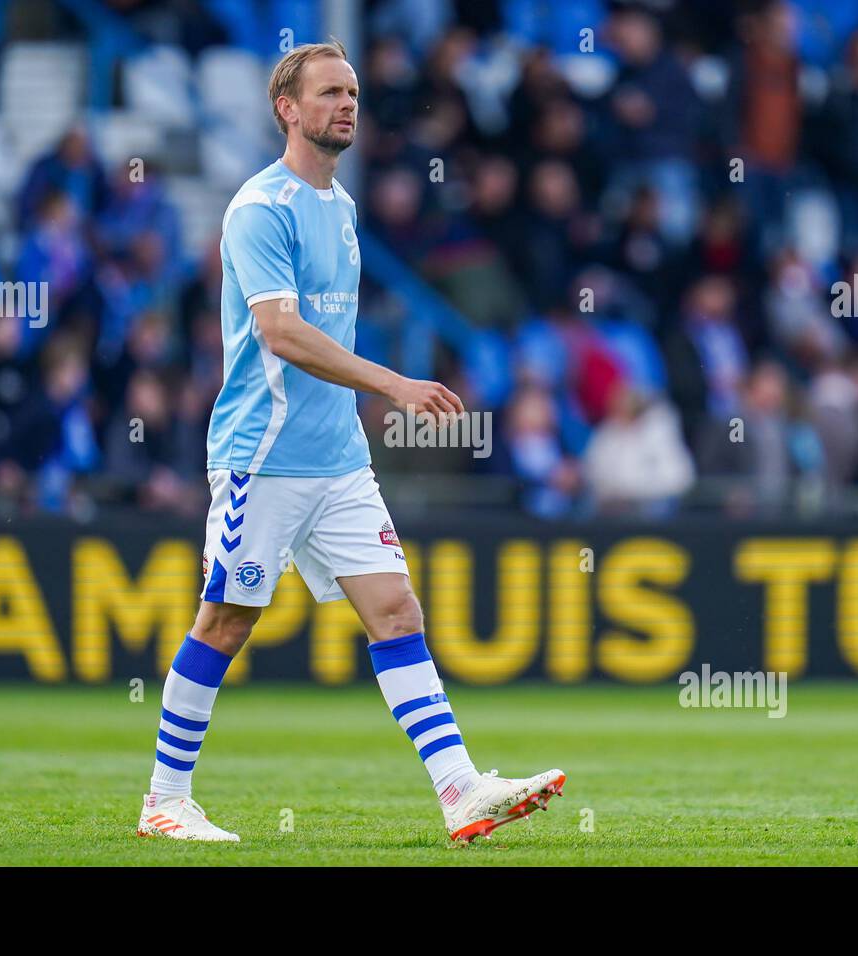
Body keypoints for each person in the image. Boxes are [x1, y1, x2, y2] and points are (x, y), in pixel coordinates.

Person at [135, 39, 564, 845]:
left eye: (354, 93)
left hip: (338, 461)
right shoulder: (260, 208)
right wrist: (393, 384)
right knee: (225, 622)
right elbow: (282, 332)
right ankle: (164, 801)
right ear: (286, 110)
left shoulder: (342, 206)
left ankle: (460, 791)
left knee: (398, 614)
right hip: (263, 454)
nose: (347, 105)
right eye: (330, 92)